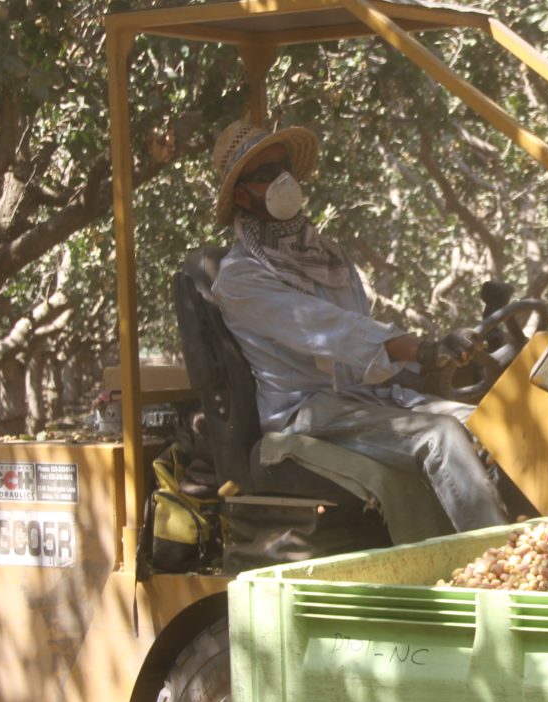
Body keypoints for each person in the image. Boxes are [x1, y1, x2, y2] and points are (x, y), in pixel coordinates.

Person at [206, 118, 509, 532]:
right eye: (265, 175)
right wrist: (420, 349)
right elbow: (332, 330)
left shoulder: (327, 254)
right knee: (440, 437)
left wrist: (438, 362)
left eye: (284, 169)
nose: (281, 181)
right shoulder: (240, 277)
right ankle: (498, 572)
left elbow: (359, 342)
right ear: (242, 196)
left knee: (493, 424)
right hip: (306, 413)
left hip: (361, 399)